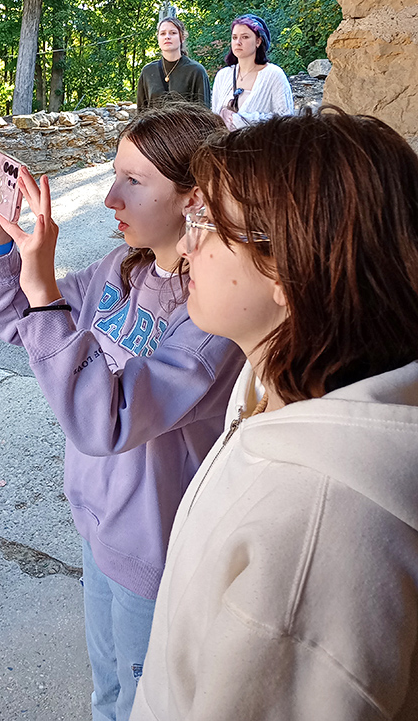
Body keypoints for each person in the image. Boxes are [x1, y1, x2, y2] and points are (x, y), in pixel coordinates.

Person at [0, 104, 244, 721]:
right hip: (96, 520)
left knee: (145, 701)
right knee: (107, 685)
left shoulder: (214, 317)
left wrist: (44, 293)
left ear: (195, 198)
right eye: (114, 173)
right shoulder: (120, 269)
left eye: (134, 181)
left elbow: (105, 422)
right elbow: (16, 321)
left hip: (153, 544)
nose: (110, 194)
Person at [131, 105, 418, 721]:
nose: (184, 247)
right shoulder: (274, 392)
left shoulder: (312, 544)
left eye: (206, 223)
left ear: (285, 266)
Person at [211, 13, 293, 128]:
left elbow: (286, 120)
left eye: (245, 37)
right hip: (224, 144)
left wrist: (241, 120)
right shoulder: (223, 76)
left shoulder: (274, 75)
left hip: (261, 145)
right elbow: (214, 119)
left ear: (258, 42)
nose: (238, 42)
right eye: (234, 37)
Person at [136, 17, 211, 111]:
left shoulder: (196, 71)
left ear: (182, 38)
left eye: (173, 33)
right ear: (158, 38)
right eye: (163, 33)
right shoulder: (148, 71)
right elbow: (141, 113)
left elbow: (204, 114)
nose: (167, 36)